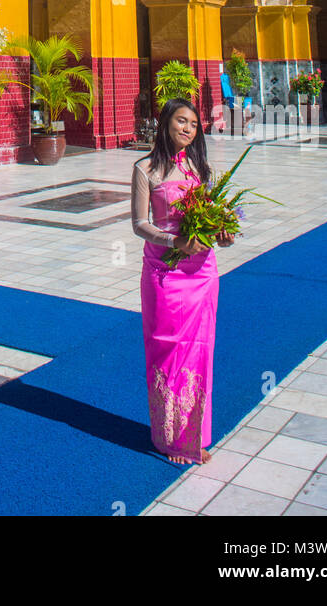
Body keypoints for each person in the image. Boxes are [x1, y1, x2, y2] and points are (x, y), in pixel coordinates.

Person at [130, 97, 235, 466]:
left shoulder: (200, 168)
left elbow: (210, 215)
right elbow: (139, 224)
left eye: (193, 123)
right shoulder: (146, 169)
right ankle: (169, 437)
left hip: (202, 272)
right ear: (165, 123)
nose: (188, 128)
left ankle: (196, 437)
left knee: (199, 348)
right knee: (166, 347)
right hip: (164, 272)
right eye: (181, 121)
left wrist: (221, 233)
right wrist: (173, 241)